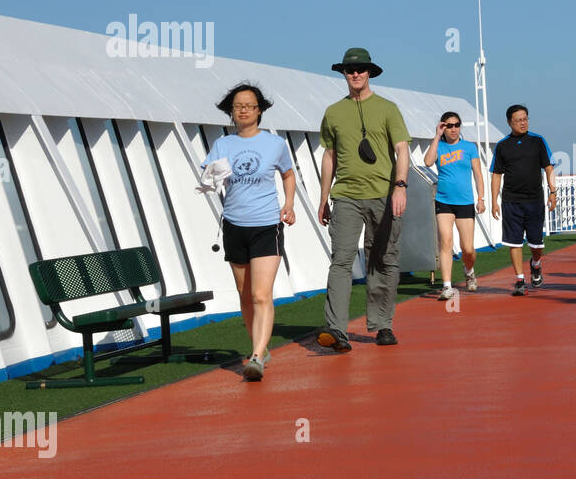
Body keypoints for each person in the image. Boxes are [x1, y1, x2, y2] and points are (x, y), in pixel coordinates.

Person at [316, 48, 411, 352]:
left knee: (382, 260)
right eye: (349, 70)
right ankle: (336, 330)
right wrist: (323, 198)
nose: (355, 74)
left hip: (383, 194)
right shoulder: (332, 112)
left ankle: (383, 324)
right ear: (343, 74)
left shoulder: (388, 108)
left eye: (360, 69)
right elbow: (329, 156)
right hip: (345, 196)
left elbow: (402, 150)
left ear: (370, 72)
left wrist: (400, 186)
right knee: (341, 261)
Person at [204, 83, 296, 381]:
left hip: (267, 225)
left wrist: (289, 204)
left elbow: (288, 173)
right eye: (238, 106)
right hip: (234, 224)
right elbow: (208, 174)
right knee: (245, 295)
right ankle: (260, 345)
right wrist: (208, 178)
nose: (243, 110)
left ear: (259, 110)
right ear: (231, 111)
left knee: (260, 294)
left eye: (249, 105)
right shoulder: (223, 144)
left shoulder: (275, 144)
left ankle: (256, 356)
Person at [491, 104, 556, 296]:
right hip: (511, 201)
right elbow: (496, 175)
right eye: (518, 120)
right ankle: (519, 279)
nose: (523, 123)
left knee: (537, 244)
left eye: (525, 119)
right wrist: (494, 200)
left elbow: (549, 168)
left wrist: (553, 192)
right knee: (514, 242)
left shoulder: (538, 141)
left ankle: (535, 264)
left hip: (535, 200)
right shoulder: (503, 145)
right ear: (509, 122)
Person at [424, 112, 485, 298]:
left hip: (465, 202)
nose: (453, 129)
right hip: (444, 201)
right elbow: (427, 162)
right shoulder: (439, 146)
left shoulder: (469, 147)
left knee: (468, 249)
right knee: (446, 242)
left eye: (456, 125)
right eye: (448, 125)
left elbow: (477, 173)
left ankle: (469, 270)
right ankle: (447, 286)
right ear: (443, 127)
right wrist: (436, 136)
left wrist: (481, 198)